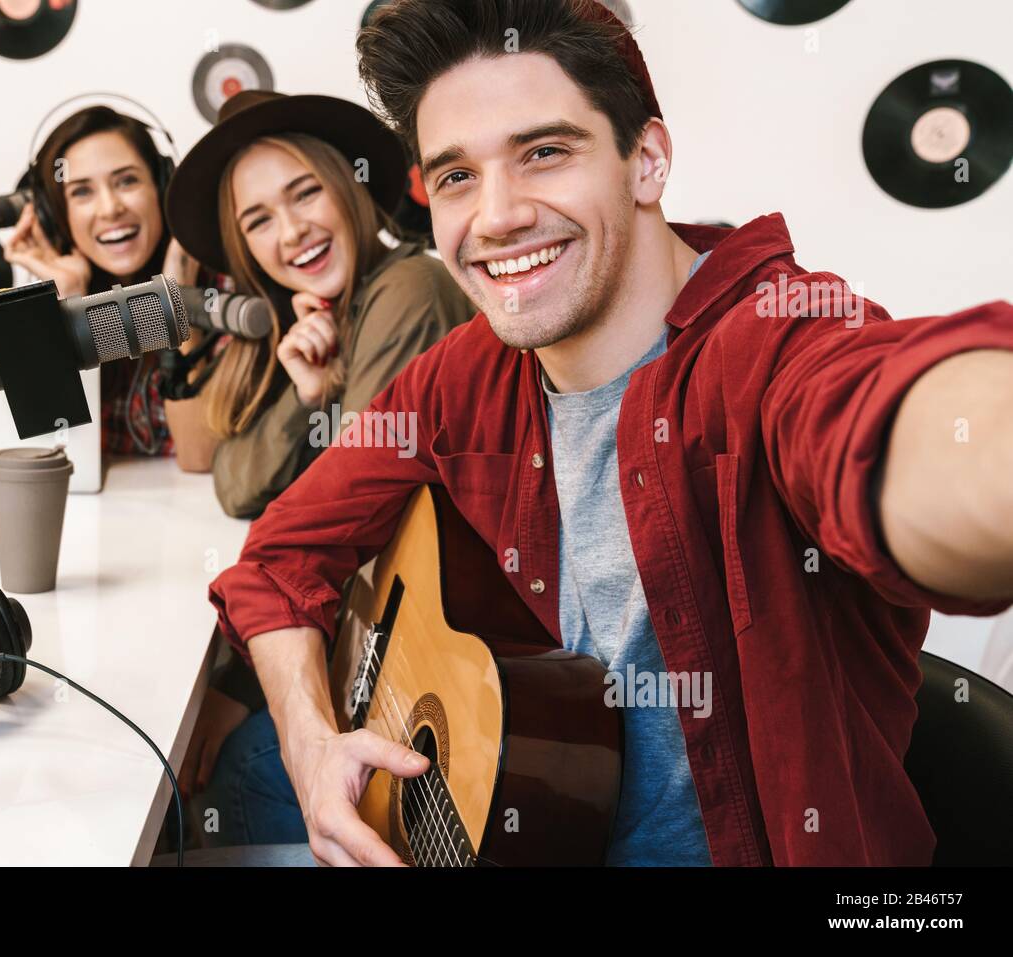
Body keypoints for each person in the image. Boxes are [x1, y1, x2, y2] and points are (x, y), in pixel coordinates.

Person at [208, 0, 1013, 866]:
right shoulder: (462, 374)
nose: (498, 215)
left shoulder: (774, 344)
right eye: (455, 176)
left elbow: (889, 420)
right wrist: (308, 741)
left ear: (648, 161)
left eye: (544, 152)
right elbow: (277, 559)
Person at [163, 90, 474, 845]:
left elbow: (342, 505)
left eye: (305, 193)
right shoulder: (324, 315)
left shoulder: (408, 288)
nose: (291, 230)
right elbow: (236, 480)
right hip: (370, 638)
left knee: (229, 776)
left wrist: (240, 687)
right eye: (258, 219)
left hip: (436, 666)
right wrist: (314, 395)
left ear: (351, 186)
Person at [4, 104, 212, 464]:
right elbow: (58, 460)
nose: (110, 209)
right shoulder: (51, 307)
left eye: (127, 181)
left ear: (163, 187)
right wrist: (68, 301)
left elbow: (199, 457)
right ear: (56, 217)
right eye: (82, 192)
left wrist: (176, 299)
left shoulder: (217, 292)